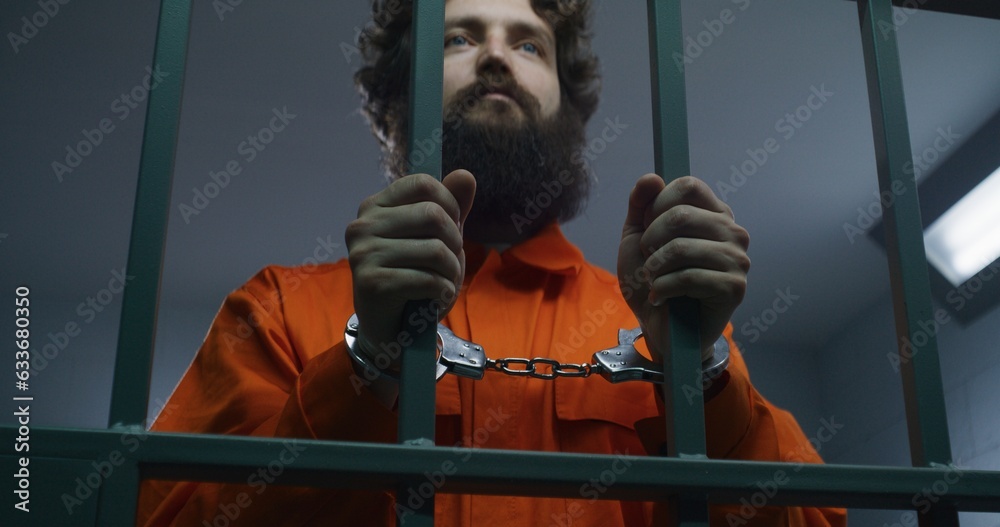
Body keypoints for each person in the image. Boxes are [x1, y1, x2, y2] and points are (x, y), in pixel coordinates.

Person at [138, 0, 847, 525]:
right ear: (397, 101)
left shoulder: (664, 321)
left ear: (567, 107)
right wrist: (365, 367)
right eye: (458, 38)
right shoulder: (279, 310)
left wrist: (700, 375)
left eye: (530, 45)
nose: (496, 57)